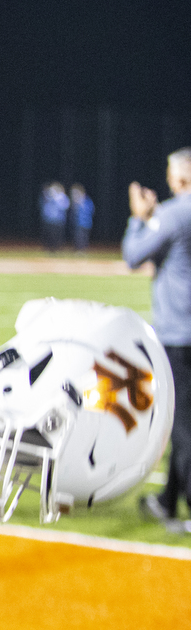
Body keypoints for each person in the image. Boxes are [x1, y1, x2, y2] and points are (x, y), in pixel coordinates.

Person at [125, 148, 191, 534]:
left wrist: (139, 219)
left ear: (180, 178)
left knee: (181, 424)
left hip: (178, 333)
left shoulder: (173, 213)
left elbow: (134, 255)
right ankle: (168, 500)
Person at [39, 181, 69, 252]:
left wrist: (56, 199)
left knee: (57, 236)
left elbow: (64, 207)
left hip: (58, 220)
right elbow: (45, 209)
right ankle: (49, 248)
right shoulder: (48, 197)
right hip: (49, 220)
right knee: (49, 235)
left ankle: (57, 248)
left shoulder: (62, 197)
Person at [69, 183, 94, 252]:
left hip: (85, 223)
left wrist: (80, 204)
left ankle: (82, 250)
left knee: (82, 237)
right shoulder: (75, 203)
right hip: (77, 223)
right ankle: (78, 249)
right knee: (77, 237)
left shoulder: (86, 201)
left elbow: (90, 211)